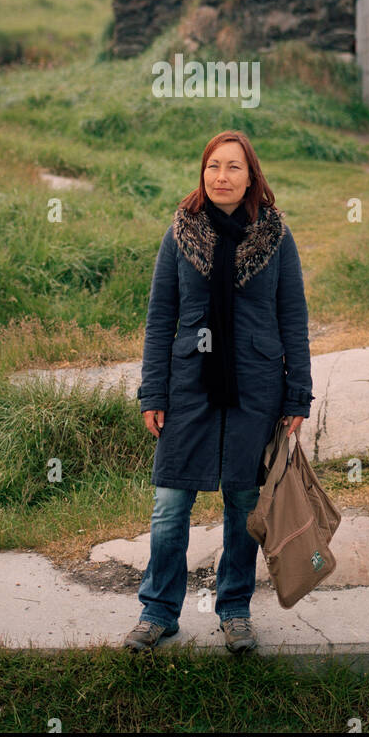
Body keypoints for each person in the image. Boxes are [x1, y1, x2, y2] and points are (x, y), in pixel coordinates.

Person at [125, 129, 314, 654]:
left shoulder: (275, 236)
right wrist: (152, 393)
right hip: (188, 388)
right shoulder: (180, 234)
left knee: (242, 504)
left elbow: (292, 318)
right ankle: (158, 611)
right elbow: (160, 318)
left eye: (233, 167)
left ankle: (234, 609)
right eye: (212, 166)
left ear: (251, 175)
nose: (221, 177)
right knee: (169, 504)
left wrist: (297, 394)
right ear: (201, 174)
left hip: (255, 389)